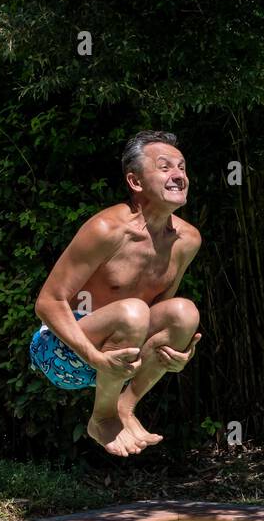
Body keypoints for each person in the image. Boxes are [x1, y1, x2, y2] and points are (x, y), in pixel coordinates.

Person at [29, 130, 201, 456]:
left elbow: (161, 315)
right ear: (135, 182)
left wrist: (173, 358)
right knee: (132, 311)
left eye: (182, 167)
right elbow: (48, 303)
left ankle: (125, 407)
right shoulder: (107, 229)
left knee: (184, 313)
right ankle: (102, 416)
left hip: (121, 356)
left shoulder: (187, 241)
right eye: (165, 168)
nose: (179, 176)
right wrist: (94, 358)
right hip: (62, 349)